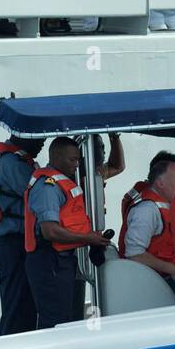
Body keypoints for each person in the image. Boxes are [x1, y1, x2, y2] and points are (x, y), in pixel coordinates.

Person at [22, 137, 112, 329]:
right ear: (56, 156)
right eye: (72, 160)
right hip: (49, 261)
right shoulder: (48, 186)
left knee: (67, 316)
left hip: (63, 260)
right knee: (55, 320)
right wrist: (88, 238)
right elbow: (50, 231)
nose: (76, 164)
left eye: (78, 160)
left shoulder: (62, 182)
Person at [0, 134, 45, 334]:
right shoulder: (12, 163)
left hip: (9, 244)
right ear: (25, 137)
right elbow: (38, 193)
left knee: (18, 304)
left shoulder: (5, 157)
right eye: (39, 139)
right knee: (19, 306)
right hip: (14, 243)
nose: (42, 144)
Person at [118, 157, 175, 285]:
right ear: (160, 183)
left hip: (162, 277)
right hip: (150, 282)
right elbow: (134, 254)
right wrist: (172, 270)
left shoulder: (165, 203)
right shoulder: (147, 210)